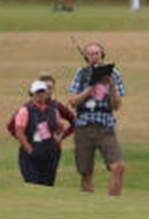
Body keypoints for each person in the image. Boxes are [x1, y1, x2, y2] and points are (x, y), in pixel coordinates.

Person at [68, 40, 127, 196]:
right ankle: (89, 206)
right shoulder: (81, 74)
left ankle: (113, 203)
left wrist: (111, 86)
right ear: (86, 57)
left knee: (118, 166)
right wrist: (89, 90)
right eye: (91, 54)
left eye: (97, 53)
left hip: (105, 126)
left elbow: (116, 106)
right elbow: (72, 102)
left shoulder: (114, 74)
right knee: (86, 172)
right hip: (83, 126)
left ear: (102, 55)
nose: (95, 56)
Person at [12, 80, 65, 186]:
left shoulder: (52, 111)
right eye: (37, 93)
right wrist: (29, 149)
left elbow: (61, 126)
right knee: (33, 183)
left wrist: (58, 138)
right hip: (32, 152)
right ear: (32, 94)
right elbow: (19, 132)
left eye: (42, 92)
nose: (40, 95)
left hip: (49, 152)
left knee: (48, 184)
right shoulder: (25, 110)